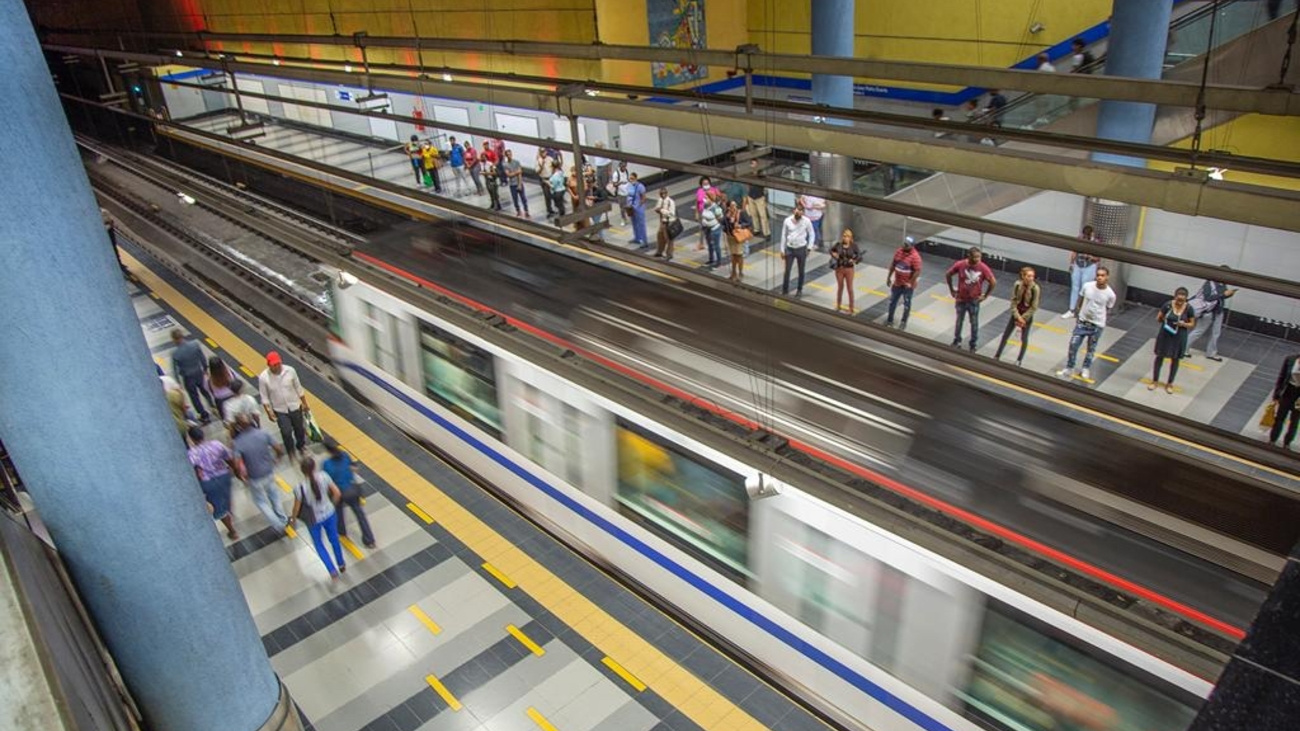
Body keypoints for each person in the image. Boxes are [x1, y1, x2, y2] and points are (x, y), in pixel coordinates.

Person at [231, 413, 288, 534]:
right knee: (274, 495)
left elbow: (236, 465)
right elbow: (279, 449)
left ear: (238, 426)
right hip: (269, 471)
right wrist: (276, 460)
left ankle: (278, 525)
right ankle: (283, 518)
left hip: (254, 477)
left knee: (261, 501)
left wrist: (240, 477)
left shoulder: (237, 442)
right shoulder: (263, 433)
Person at [1057, 266, 1116, 382]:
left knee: (1091, 349)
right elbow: (1081, 298)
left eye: (1102, 275)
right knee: (1073, 345)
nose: (1099, 277)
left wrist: (1100, 320)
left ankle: (1085, 368)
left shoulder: (1110, 294)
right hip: (1083, 321)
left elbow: (1108, 308)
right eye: (1098, 275)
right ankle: (1070, 367)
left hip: (1097, 325)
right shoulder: (1087, 286)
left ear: (1107, 277)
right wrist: (1078, 313)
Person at [292, 455, 346, 580]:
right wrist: (331, 506)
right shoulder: (324, 476)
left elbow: (296, 508)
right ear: (314, 466)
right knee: (334, 539)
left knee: (319, 544)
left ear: (302, 471)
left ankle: (332, 571)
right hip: (330, 514)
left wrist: (293, 519)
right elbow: (337, 493)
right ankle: (341, 563)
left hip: (314, 520)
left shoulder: (300, 488)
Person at [187, 426, 239, 540]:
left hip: (208, 483)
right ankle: (230, 512)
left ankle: (232, 531)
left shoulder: (191, 454)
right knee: (226, 496)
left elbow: (193, 472)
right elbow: (229, 458)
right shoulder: (216, 444)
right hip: (224, 476)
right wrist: (236, 471)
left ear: (191, 439)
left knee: (218, 506)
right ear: (203, 434)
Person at [323, 438, 374, 548]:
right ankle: (369, 540)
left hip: (339, 492)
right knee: (360, 515)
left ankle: (341, 531)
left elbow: (327, 482)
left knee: (338, 511)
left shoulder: (327, 464)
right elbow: (354, 467)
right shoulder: (345, 455)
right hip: (352, 490)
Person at [258, 351, 309, 459]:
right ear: (269, 365)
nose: (277, 366)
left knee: (299, 429)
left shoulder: (290, 371)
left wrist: (304, 404)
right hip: (280, 410)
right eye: (274, 365)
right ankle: (291, 452)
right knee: (286, 432)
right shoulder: (263, 378)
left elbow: (298, 388)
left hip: (295, 405)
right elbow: (264, 397)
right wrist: (269, 412)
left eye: (278, 363)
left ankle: (301, 446)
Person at [945, 246, 997, 351]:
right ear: (969, 256)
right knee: (959, 321)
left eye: (979, 257)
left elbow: (993, 282)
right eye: (975, 257)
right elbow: (948, 274)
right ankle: (957, 340)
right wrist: (951, 289)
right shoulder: (960, 265)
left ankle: (973, 344)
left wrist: (985, 295)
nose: (977, 259)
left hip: (974, 300)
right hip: (961, 299)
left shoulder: (983, 267)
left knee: (974, 323)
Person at [1150, 287, 1196, 394]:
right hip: (1165, 334)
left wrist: (1183, 324)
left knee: (1175, 359)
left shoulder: (1189, 309)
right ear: (1175, 297)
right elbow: (1158, 318)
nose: (1180, 302)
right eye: (1178, 300)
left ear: (1186, 299)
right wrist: (1165, 319)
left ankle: (1170, 383)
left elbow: (1192, 324)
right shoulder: (1167, 305)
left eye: (1182, 300)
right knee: (1159, 356)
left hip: (1179, 336)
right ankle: (1155, 381)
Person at [994, 267, 1041, 366]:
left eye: (1032, 276)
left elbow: (1034, 306)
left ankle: (1019, 359)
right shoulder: (1017, 285)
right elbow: (1013, 301)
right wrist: (1017, 316)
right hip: (1016, 314)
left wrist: (1023, 318)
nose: (1031, 278)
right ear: (1023, 276)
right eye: (1028, 276)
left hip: (1026, 316)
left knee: (1024, 338)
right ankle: (997, 355)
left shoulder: (1035, 288)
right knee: (1006, 335)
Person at [1185, 274, 1236, 361]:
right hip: (1207, 311)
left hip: (1218, 311)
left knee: (1216, 333)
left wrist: (1228, 294)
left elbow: (1221, 296)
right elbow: (1207, 297)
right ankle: (1184, 348)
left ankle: (1211, 353)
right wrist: (1223, 294)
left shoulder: (1222, 284)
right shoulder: (1209, 283)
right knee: (1199, 331)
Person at [170, 328, 214, 422]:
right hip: (199, 373)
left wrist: (178, 383)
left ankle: (204, 415)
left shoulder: (175, 354)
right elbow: (202, 358)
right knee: (205, 391)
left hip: (188, 378)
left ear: (174, 339)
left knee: (194, 397)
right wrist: (205, 369)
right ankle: (212, 406)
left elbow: (175, 370)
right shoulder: (195, 345)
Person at [1063, 225, 1101, 319]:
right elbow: (1074, 252)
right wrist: (1072, 264)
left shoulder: (1096, 242)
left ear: (1092, 234)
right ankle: (1072, 309)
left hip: (1089, 266)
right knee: (1075, 287)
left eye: (1087, 235)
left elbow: (1098, 258)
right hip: (1078, 265)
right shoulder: (1079, 239)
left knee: (1086, 289)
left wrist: (1090, 257)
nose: (1086, 237)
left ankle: (1082, 311)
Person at [885, 236, 923, 329]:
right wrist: (889, 277)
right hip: (897, 283)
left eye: (906, 245)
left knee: (907, 304)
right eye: (904, 244)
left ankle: (903, 321)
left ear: (912, 246)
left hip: (907, 287)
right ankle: (890, 320)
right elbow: (893, 264)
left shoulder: (915, 257)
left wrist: (910, 282)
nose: (904, 246)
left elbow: (917, 271)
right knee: (892, 302)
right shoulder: (899, 251)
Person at [780, 203, 814, 297]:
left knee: (801, 271)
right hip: (790, 249)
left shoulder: (807, 221)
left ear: (803, 213)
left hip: (801, 249)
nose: (798, 212)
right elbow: (783, 235)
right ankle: (785, 290)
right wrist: (782, 250)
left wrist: (809, 248)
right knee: (787, 270)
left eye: (801, 211)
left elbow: (811, 234)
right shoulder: (787, 221)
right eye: (797, 210)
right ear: (794, 210)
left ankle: (799, 290)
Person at [1269, 351, 1300, 449]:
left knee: (1294, 421)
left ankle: (1287, 443)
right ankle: (1272, 439)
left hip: (1299, 396)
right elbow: (1282, 377)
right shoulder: (1290, 359)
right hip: (1287, 391)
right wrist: (1276, 394)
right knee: (1279, 417)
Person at [829, 229, 861, 313]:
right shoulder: (838, 245)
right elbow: (831, 250)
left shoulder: (854, 246)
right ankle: (838, 305)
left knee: (850, 288)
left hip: (849, 269)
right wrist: (834, 254)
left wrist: (854, 260)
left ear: (850, 238)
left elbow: (859, 256)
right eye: (844, 236)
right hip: (839, 268)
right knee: (840, 287)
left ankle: (851, 308)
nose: (845, 238)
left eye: (847, 236)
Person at [722, 200, 753, 283]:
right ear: (729, 207)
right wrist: (728, 220)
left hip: (738, 237)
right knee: (733, 255)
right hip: (730, 237)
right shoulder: (726, 214)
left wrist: (740, 225)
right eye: (732, 206)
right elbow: (723, 225)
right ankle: (733, 272)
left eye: (735, 205)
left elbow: (749, 223)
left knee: (739, 255)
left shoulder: (741, 213)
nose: (734, 207)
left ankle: (740, 273)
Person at [744, 159, 769, 237]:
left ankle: (766, 232)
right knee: (753, 214)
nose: (753, 165)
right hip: (751, 196)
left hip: (759, 197)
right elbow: (747, 184)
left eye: (754, 164)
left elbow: (765, 184)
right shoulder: (749, 174)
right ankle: (756, 229)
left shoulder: (761, 174)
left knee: (763, 215)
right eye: (751, 164)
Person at [700, 191, 724, 269]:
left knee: (716, 245)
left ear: (711, 199)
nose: (705, 199)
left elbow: (720, 219)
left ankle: (719, 262)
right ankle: (711, 259)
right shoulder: (705, 206)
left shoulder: (716, 208)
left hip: (715, 229)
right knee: (709, 245)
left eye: (706, 198)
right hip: (707, 228)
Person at [503, 149, 529, 218]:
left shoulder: (516, 162)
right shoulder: (505, 164)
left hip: (518, 183)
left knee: (523, 198)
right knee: (515, 199)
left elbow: (520, 173)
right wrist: (516, 172)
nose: (509, 156)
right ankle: (518, 211)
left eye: (510, 154)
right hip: (512, 184)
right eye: (507, 155)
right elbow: (508, 175)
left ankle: (526, 211)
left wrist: (520, 184)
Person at [626, 172, 649, 248]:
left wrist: (639, 205)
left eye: (632, 178)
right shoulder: (630, 186)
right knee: (634, 223)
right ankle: (637, 238)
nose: (631, 180)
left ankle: (644, 241)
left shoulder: (640, 186)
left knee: (641, 225)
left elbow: (644, 197)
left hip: (638, 208)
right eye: (630, 178)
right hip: (631, 207)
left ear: (636, 178)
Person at [653, 188, 677, 259]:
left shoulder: (671, 202)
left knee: (668, 239)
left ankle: (669, 254)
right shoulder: (660, 200)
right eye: (661, 194)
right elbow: (657, 207)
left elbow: (671, 214)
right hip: (662, 221)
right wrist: (657, 209)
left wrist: (661, 210)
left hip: (668, 222)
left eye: (664, 193)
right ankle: (659, 251)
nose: (662, 195)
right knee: (660, 236)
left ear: (667, 193)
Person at [695, 177, 713, 251]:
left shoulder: (713, 190)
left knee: (711, 228)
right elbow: (697, 202)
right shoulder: (699, 191)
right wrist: (696, 212)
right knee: (701, 228)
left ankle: (712, 243)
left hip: (710, 212)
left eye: (707, 183)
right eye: (704, 184)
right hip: (701, 212)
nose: (706, 185)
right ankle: (701, 243)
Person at [537, 148, 556, 216]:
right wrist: (541, 166)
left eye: (544, 152)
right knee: (547, 195)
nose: (543, 153)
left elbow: (554, 166)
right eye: (541, 152)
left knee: (554, 193)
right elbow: (537, 171)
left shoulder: (550, 159)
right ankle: (549, 209)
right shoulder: (539, 160)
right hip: (544, 179)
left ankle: (556, 207)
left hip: (551, 178)